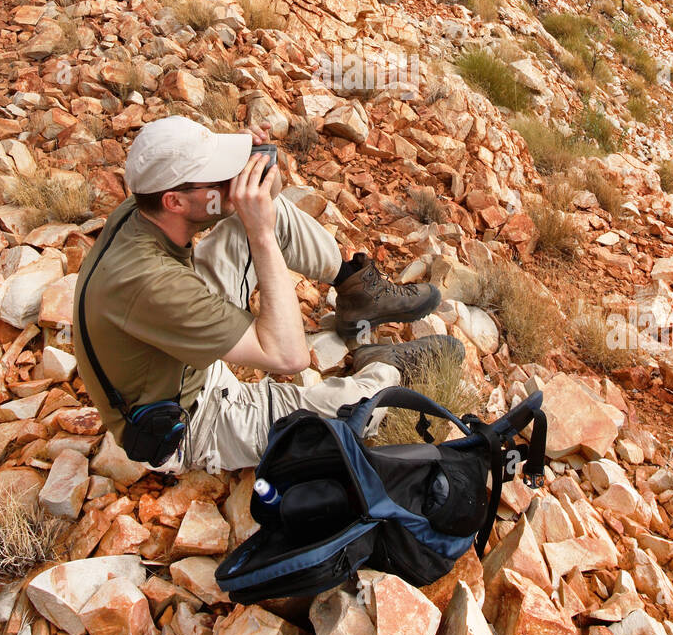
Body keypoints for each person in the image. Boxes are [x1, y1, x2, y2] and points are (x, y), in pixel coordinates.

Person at [73, 116, 457, 474]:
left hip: (174, 348)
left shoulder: (146, 206)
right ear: (175, 200)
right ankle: (384, 368)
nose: (229, 181)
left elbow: (267, 196)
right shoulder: (150, 282)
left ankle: (356, 292)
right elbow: (288, 356)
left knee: (263, 209)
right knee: (345, 415)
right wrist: (261, 235)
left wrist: (258, 168)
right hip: (191, 418)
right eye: (217, 176)